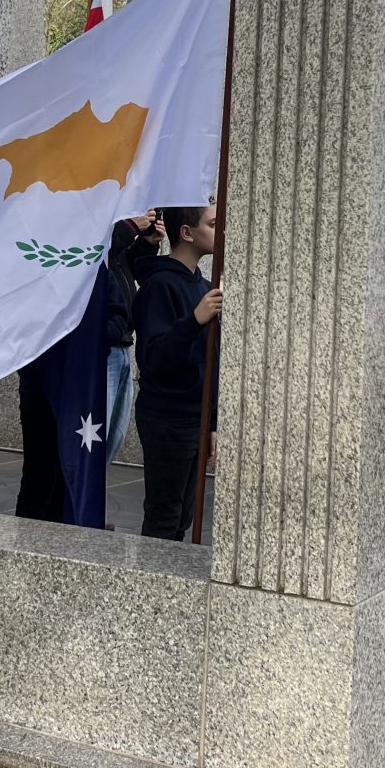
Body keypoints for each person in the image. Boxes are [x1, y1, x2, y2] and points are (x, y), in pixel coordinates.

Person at [133, 205, 221, 541]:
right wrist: (193, 320)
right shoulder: (160, 286)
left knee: (183, 514)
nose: (221, 230)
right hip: (167, 418)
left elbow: (210, 360)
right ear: (186, 233)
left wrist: (211, 422)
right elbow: (154, 359)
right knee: (164, 515)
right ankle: (151, 586)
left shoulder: (202, 285)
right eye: (213, 224)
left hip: (194, 417)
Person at [102, 213, 164, 477]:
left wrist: (147, 242)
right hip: (104, 345)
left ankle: (90, 505)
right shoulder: (100, 218)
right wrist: (128, 227)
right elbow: (97, 252)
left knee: (114, 435)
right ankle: (79, 507)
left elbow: (128, 267)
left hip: (124, 341)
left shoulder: (120, 232)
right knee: (94, 433)